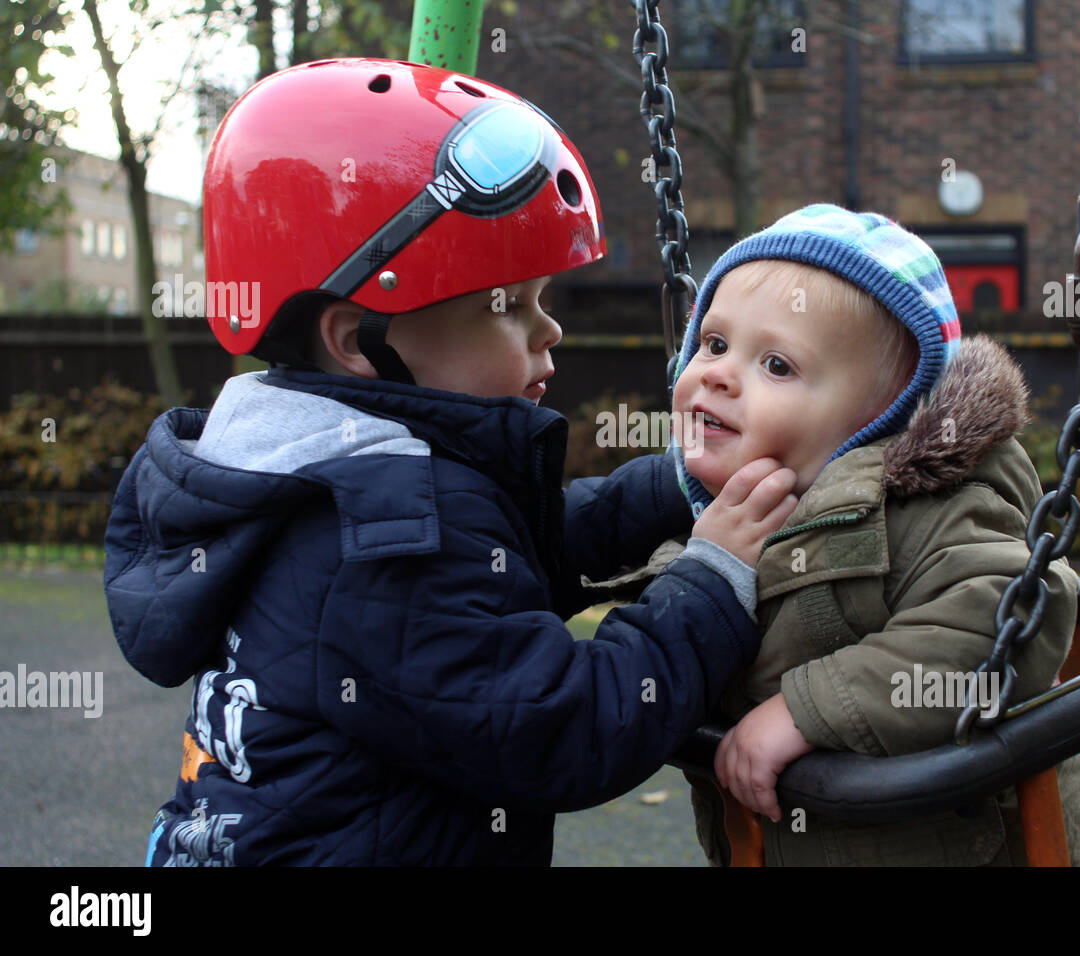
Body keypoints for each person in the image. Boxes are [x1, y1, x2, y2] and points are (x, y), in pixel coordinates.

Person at [103, 58, 798, 866]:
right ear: (356, 339)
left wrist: (679, 485)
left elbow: (513, 553)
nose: (551, 332)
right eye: (507, 307)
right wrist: (711, 583)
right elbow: (560, 728)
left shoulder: (310, 469)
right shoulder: (381, 536)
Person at [669, 204, 1080, 866]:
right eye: (714, 343)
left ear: (882, 413)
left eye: (777, 364)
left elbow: (1003, 620)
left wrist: (806, 711)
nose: (718, 373)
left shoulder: (936, 507)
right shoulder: (728, 514)